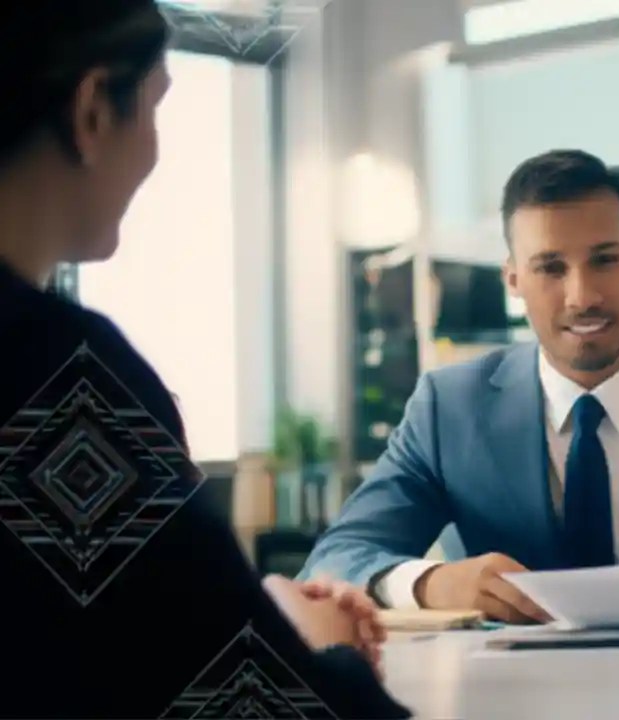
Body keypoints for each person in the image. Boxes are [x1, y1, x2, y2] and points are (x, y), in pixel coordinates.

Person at [0, 2, 406, 717]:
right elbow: (258, 705)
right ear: (92, 110)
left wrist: (251, 609)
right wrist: (313, 648)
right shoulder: (51, 378)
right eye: (156, 105)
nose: (157, 148)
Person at [301, 149, 619, 620]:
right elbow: (337, 558)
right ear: (513, 279)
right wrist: (432, 584)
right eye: (550, 268)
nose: (582, 296)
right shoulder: (448, 410)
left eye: (604, 260)